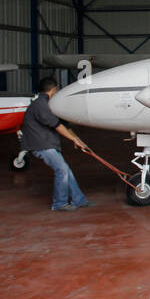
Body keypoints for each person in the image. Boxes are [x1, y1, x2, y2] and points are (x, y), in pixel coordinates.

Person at [21, 77, 91, 211]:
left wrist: (77, 139)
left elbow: (63, 124)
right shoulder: (41, 105)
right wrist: (73, 140)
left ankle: (79, 200)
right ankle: (59, 203)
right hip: (42, 145)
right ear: (53, 90)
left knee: (66, 171)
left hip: (47, 144)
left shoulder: (46, 103)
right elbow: (57, 126)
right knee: (62, 170)